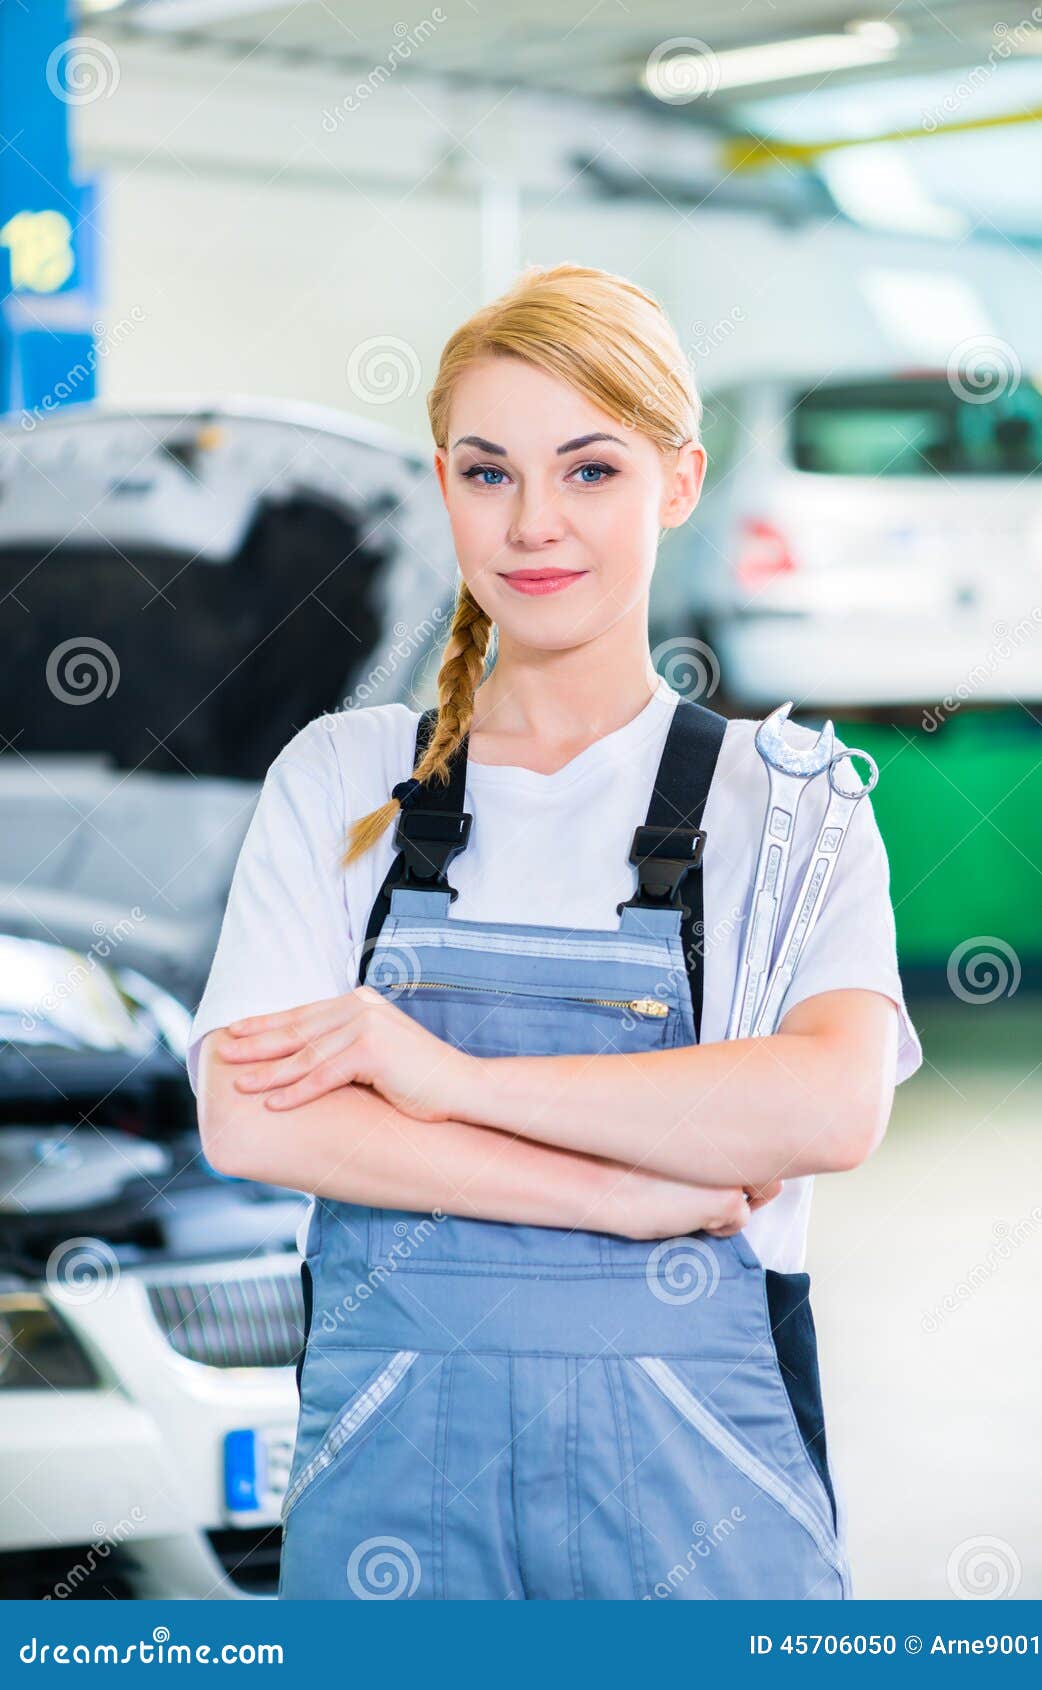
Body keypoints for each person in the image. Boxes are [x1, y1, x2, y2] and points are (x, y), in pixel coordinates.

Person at [188, 263, 922, 1601]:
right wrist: (612, 1195)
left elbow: (826, 1104)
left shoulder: (794, 798)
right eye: (487, 473)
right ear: (443, 482)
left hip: (704, 1512)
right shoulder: (343, 782)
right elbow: (255, 1120)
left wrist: (445, 1078)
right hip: (395, 1508)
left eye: (589, 471)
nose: (532, 525)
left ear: (680, 481)